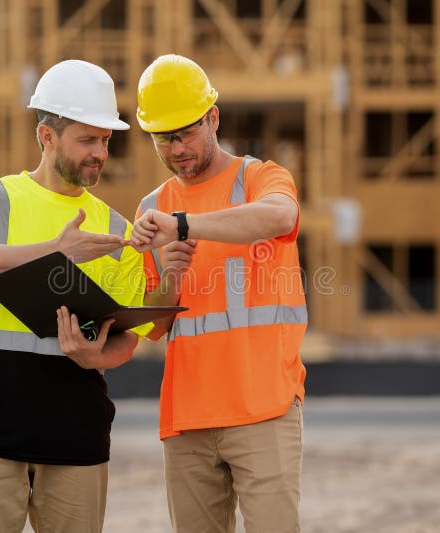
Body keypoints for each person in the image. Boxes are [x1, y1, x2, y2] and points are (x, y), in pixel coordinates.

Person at [0, 59, 148, 533]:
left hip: (77, 439)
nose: (100, 153)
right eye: (87, 140)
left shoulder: (116, 230)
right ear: (46, 136)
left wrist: (97, 357)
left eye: (106, 141)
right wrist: (56, 251)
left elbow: (126, 338)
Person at [131, 54, 308, 532]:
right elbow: (154, 327)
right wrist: (170, 275)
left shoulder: (260, 177)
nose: (176, 148)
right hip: (187, 420)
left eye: (186, 133)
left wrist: (184, 224)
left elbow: (280, 216)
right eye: (163, 138)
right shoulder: (151, 207)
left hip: (264, 409)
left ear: (213, 118)